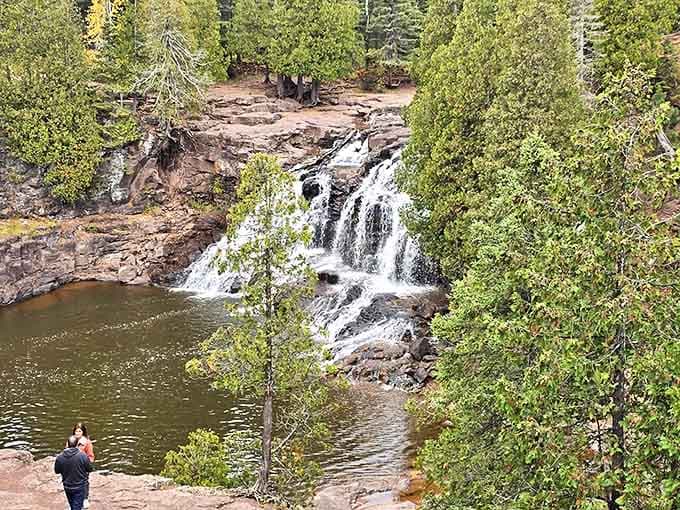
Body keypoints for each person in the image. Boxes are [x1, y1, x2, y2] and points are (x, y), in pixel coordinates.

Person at [55, 435, 92, 510]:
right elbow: (89, 469)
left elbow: (57, 471)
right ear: (77, 444)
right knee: (77, 506)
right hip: (80, 486)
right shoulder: (82, 456)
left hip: (67, 486)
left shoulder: (60, 457)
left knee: (72, 504)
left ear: (68, 444)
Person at [71, 422, 94, 508]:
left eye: (79, 431)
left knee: (84, 482)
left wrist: (86, 465)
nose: (77, 433)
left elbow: (91, 456)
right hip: (72, 466)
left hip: (83, 466)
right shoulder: (71, 440)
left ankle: (85, 498)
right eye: (76, 431)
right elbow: (66, 451)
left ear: (83, 432)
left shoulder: (87, 442)